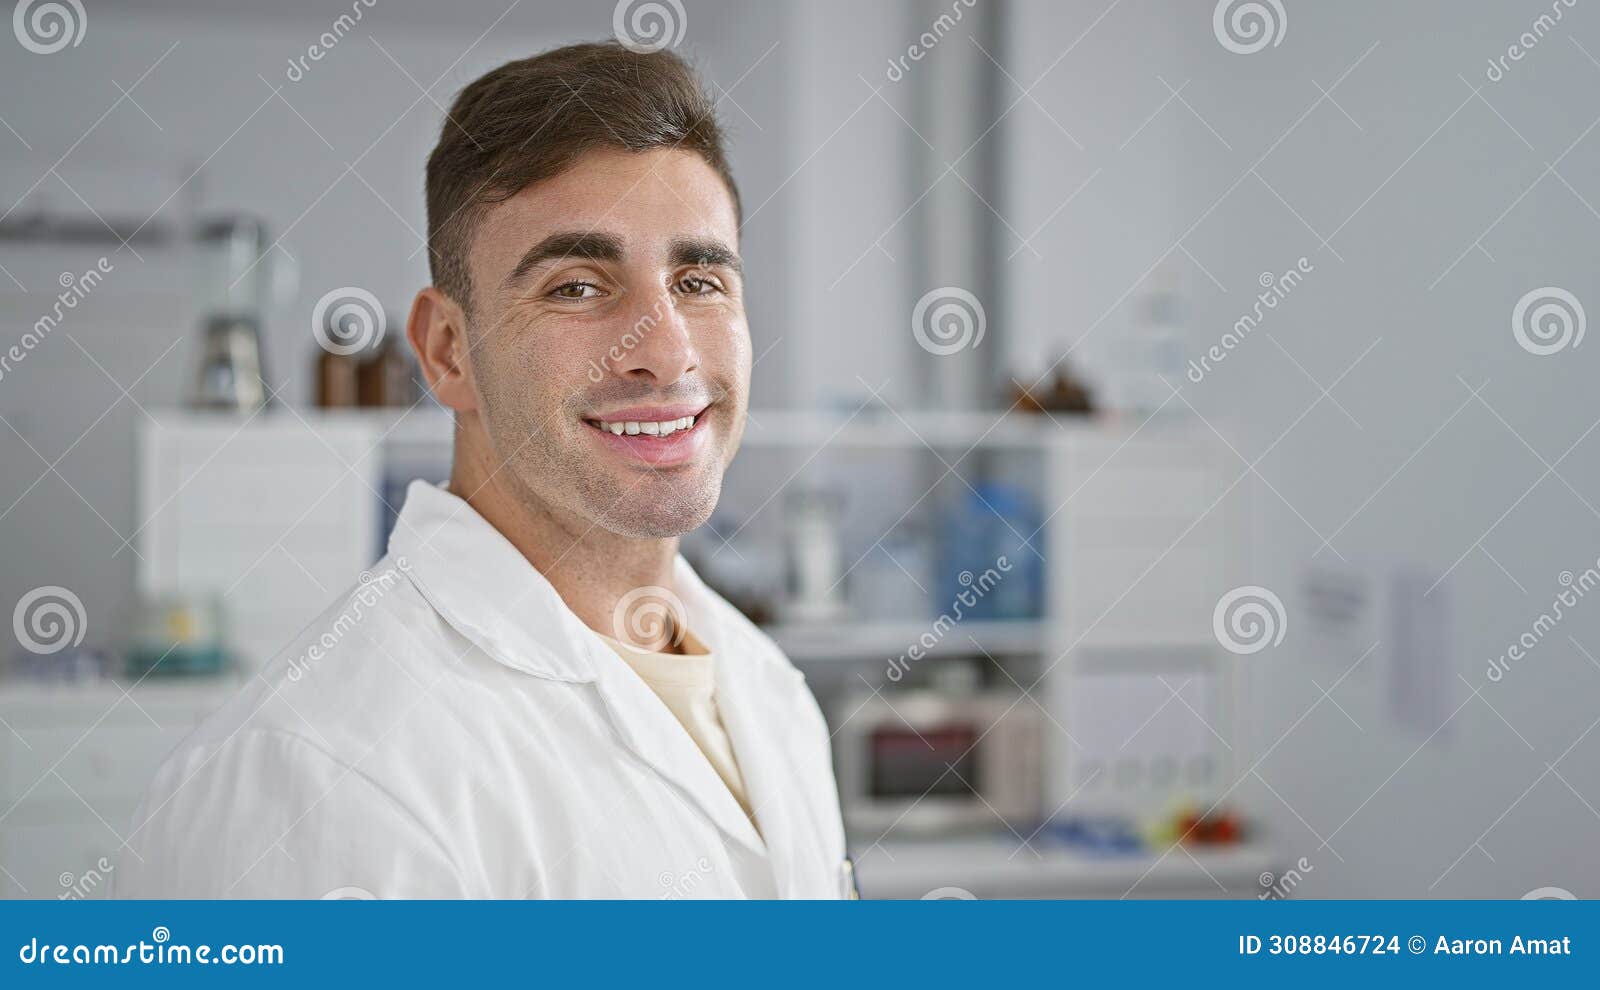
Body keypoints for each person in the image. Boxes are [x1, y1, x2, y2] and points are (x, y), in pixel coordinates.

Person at [115, 42, 851, 899]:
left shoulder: (768, 690)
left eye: (699, 280)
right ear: (447, 350)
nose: (666, 351)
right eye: (577, 286)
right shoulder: (315, 776)